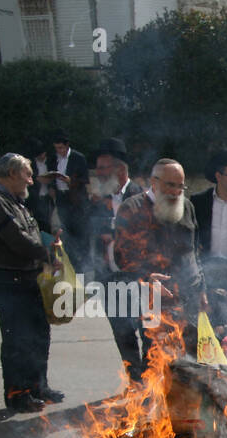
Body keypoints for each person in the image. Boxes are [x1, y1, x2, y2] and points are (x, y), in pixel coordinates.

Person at [0, 153, 64, 412]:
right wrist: (47, 254)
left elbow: (33, 233)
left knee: (39, 335)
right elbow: (16, 239)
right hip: (9, 281)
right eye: (27, 175)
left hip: (29, 278)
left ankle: (38, 386)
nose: (30, 181)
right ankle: (18, 394)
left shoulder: (15, 201)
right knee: (18, 340)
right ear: (12, 174)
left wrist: (50, 243)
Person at [113, 158, 205, 352]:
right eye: (170, 185)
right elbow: (121, 255)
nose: (176, 192)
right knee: (157, 357)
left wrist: (201, 288)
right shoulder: (132, 208)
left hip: (187, 296)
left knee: (189, 358)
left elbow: (194, 251)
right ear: (154, 182)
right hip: (152, 298)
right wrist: (146, 277)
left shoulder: (187, 207)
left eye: (180, 186)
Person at [89, 138, 146, 382]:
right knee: (122, 332)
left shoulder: (141, 198)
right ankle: (135, 379)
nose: (98, 174)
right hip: (110, 277)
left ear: (120, 170)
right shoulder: (98, 201)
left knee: (148, 331)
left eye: (103, 169)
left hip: (139, 277)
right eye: (98, 169)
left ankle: (152, 379)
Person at [44, 130, 90, 271]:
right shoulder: (53, 159)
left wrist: (71, 181)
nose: (59, 151)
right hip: (62, 198)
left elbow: (85, 179)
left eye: (61, 148)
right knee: (66, 231)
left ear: (67, 145)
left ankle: (83, 262)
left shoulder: (78, 158)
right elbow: (50, 176)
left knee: (80, 231)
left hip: (76, 201)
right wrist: (51, 185)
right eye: (57, 148)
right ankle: (70, 260)